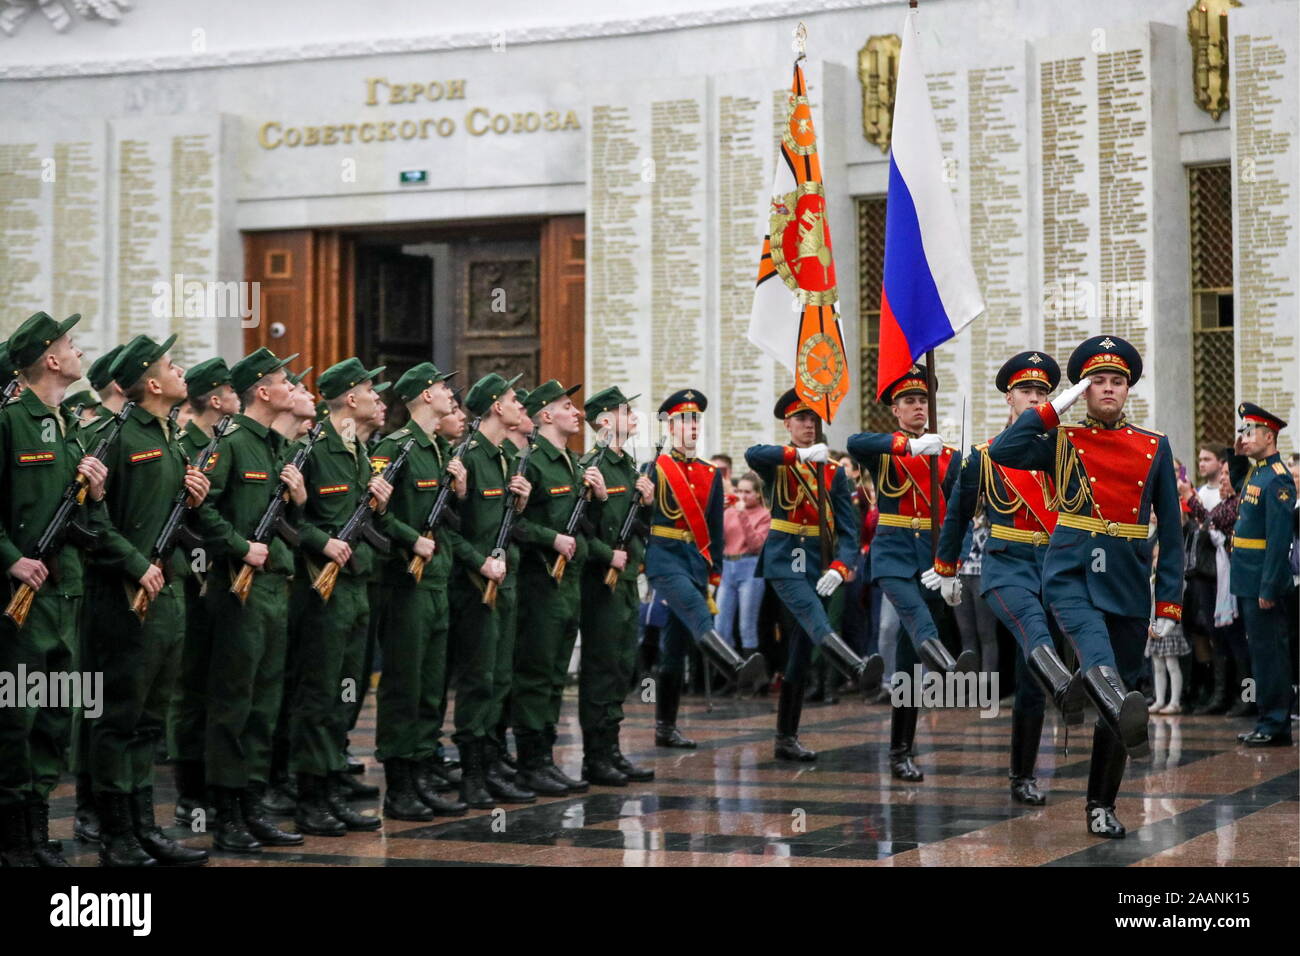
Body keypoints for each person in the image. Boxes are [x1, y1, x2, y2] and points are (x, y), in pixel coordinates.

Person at [988, 335, 1183, 838]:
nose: (1109, 389)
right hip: (1071, 574)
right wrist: (1054, 407)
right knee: (1100, 663)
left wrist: (1169, 602)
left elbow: (1173, 531)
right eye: (1098, 381)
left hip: (1128, 579)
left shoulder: (1153, 445)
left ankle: (1101, 804)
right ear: (1084, 389)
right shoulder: (1060, 438)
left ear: (1128, 389)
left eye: (1118, 381)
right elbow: (1005, 450)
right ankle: (1120, 711)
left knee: (1120, 682)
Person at [930, 351, 1087, 805]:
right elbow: (957, 517)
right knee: (1033, 632)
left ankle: (1023, 774)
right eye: (1027, 392)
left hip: (1054, 569)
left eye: (1043, 393)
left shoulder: (1063, 453)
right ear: (1009, 398)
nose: (1035, 398)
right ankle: (1064, 686)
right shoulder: (983, 457)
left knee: (1033, 679)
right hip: (1006, 565)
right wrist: (946, 569)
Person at [85, 333, 212, 866]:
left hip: (169, 591)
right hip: (125, 593)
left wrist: (196, 499)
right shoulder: (114, 435)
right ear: (153, 384)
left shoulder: (172, 436)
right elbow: (92, 518)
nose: (183, 369)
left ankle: (145, 827)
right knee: (121, 715)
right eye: (170, 364)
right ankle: (117, 834)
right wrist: (134, 563)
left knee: (150, 717)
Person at [0, 313, 107, 867]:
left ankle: (37, 826)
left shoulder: (68, 425)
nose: (76, 348)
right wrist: (10, 559)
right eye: (69, 343)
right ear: (49, 358)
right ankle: (14, 835)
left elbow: (82, 517)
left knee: (53, 717)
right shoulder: (11, 421)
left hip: (67, 592)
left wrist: (95, 489)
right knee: (16, 717)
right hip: (24, 600)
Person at [746, 389, 885, 761]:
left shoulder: (834, 473)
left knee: (800, 650)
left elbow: (848, 528)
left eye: (814, 420)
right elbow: (753, 454)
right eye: (801, 419)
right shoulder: (777, 463)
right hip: (784, 559)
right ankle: (854, 666)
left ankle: (785, 737)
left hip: (817, 564)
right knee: (813, 615)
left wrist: (841, 568)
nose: (809, 425)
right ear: (787, 424)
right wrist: (798, 455)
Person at [847, 364, 971, 782]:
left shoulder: (950, 457)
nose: (918, 407)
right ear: (896, 411)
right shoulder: (886, 450)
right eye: (909, 402)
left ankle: (900, 751)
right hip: (894, 555)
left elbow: (960, 516)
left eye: (923, 401)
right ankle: (952, 670)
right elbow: (853, 441)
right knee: (917, 621)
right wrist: (908, 448)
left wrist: (953, 566)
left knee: (908, 662)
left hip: (932, 561)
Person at [286, 357, 391, 836]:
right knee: (320, 695)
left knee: (346, 695)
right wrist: (319, 541)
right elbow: (283, 519)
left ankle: (333, 787)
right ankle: (311, 799)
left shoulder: (355, 451)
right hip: (321, 590)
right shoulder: (311, 450)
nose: (376, 399)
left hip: (355, 586)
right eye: (371, 391)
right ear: (351, 398)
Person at [368, 363, 469, 819]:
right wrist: (411, 539)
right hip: (405, 583)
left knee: (431, 687)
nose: (450, 394)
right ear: (425, 396)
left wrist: (461, 492)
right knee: (404, 686)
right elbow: (374, 513)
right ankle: (399, 786)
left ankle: (423, 773)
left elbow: (449, 520)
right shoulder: (397, 448)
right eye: (443, 388)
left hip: (437, 581)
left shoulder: (438, 450)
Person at [648, 390, 768, 749]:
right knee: (698, 613)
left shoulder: (710, 474)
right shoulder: (654, 469)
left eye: (696, 420)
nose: (692, 427)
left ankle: (665, 727)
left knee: (675, 648)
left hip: (694, 562)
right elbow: (640, 519)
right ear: (671, 426)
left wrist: (713, 573)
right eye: (684, 421)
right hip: (664, 558)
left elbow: (714, 528)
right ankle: (734, 666)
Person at [511, 379, 609, 795]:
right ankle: (530, 762)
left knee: (554, 676)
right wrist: (550, 539)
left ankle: (545, 758)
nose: (578, 412)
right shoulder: (530, 462)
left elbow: (584, 524)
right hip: (539, 584)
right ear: (546, 416)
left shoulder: (572, 463)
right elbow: (512, 522)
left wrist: (600, 500)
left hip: (567, 585)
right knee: (535, 675)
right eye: (567, 406)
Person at [445, 373, 535, 807]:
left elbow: (500, 524)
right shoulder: (467, 455)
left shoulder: (501, 457)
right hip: (474, 584)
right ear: (497, 408)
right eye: (515, 399)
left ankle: (492, 761)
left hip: (503, 581)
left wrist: (518, 504)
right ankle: (471, 774)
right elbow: (448, 528)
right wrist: (479, 562)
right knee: (479, 680)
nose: (522, 406)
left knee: (499, 678)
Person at [168, 357, 238, 826]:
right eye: (232, 390)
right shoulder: (188, 444)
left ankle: (218, 781)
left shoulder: (219, 442)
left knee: (218, 684)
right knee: (189, 688)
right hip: (192, 579)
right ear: (215, 398)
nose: (238, 396)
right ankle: (189, 789)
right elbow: (184, 517)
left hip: (218, 580)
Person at [578, 386, 657, 785]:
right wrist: (599, 500)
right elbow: (580, 527)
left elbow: (640, 526)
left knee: (623, 664)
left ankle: (612, 748)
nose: (636, 418)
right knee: (602, 666)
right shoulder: (591, 466)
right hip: (601, 581)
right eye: (627, 412)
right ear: (605, 421)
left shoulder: (628, 465)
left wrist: (647, 502)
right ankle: (595, 756)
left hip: (626, 579)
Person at [1228, 403, 1296, 747]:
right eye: (1243, 430)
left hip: (1262, 582)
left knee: (1270, 654)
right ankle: (1265, 718)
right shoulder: (1258, 472)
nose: (1244, 436)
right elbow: (1239, 483)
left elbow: (1279, 540)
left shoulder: (1279, 478)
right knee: (1259, 653)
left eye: (1249, 431)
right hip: (1247, 578)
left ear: (1269, 436)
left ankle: (1275, 724)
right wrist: (1236, 454)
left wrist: (1269, 586)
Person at [715, 471, 769, 659]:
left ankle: (752, 677)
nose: (742, 496)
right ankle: (728, 672)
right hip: (727, 566)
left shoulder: (764, 515)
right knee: (720, 625)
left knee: (747, 625)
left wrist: (742, 515)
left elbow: (756, 545)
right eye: (739, 491)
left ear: (758, 494)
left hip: (749, 567)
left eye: (747, 492)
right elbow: (717, 539)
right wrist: (718, 511)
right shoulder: (729, 512)